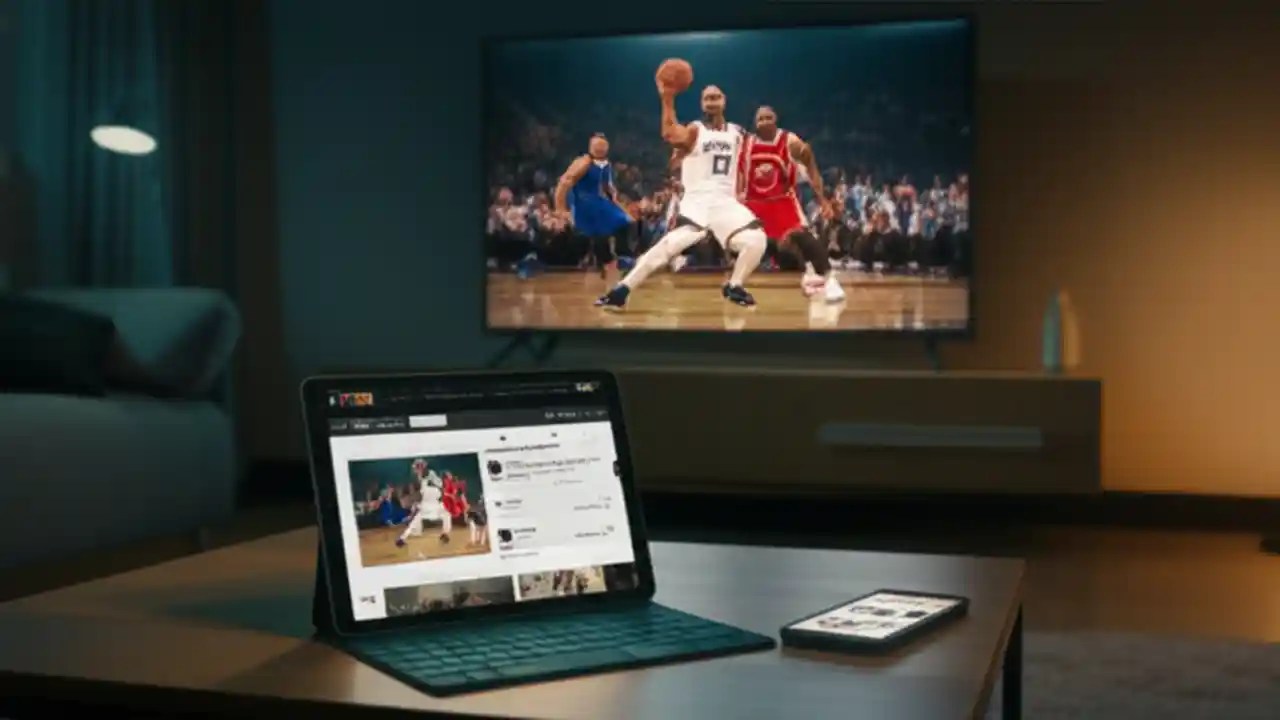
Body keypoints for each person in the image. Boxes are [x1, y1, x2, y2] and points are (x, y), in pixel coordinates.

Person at [595, 82, 767, 309]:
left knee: (756, 240)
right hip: (697, 201)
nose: (712, 101)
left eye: (716, 97)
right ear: (702, 104)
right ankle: (621, 290)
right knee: (667, 247)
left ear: (724, 101)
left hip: (725, 202)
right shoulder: (695, 130)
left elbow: (757, 150)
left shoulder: (737, 132)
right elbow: (669, 133)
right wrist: (667, 98)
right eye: (707, 98)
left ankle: (734, 285)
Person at [741, 105, 844, 302]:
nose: (764, 122)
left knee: (801, 236)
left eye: (768, 118)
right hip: (756, 202)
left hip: (782, 200)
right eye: (761, 119)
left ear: (776, 119)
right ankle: (809, 274)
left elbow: (811, 163)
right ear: (755, 123)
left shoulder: (789, 141)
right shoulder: (747, 143)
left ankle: (830, 279)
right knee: (756, 244)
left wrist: (822, 201)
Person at [555, 133, 634, 278]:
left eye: (603, 146)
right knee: (600, 232)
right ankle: (607, 262)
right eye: (597, 146)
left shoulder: (606, 164)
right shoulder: (583, 162)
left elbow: (608, 188)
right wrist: (560, 208)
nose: (600, 149)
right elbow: (564, 182)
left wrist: (620, 207)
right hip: (583, 203)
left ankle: (618, 259)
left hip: (599, 201)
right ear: (591, 147)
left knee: (624, 222)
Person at [396, 458, 445, 548]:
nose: (416, 470)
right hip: (430, 501)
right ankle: (401, 539)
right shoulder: (424, 478)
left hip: (430, 500)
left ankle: (401, 539)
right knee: (419, 517)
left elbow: (437, 485)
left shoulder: (428, 476)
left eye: (418, 467)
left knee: (417, 518)